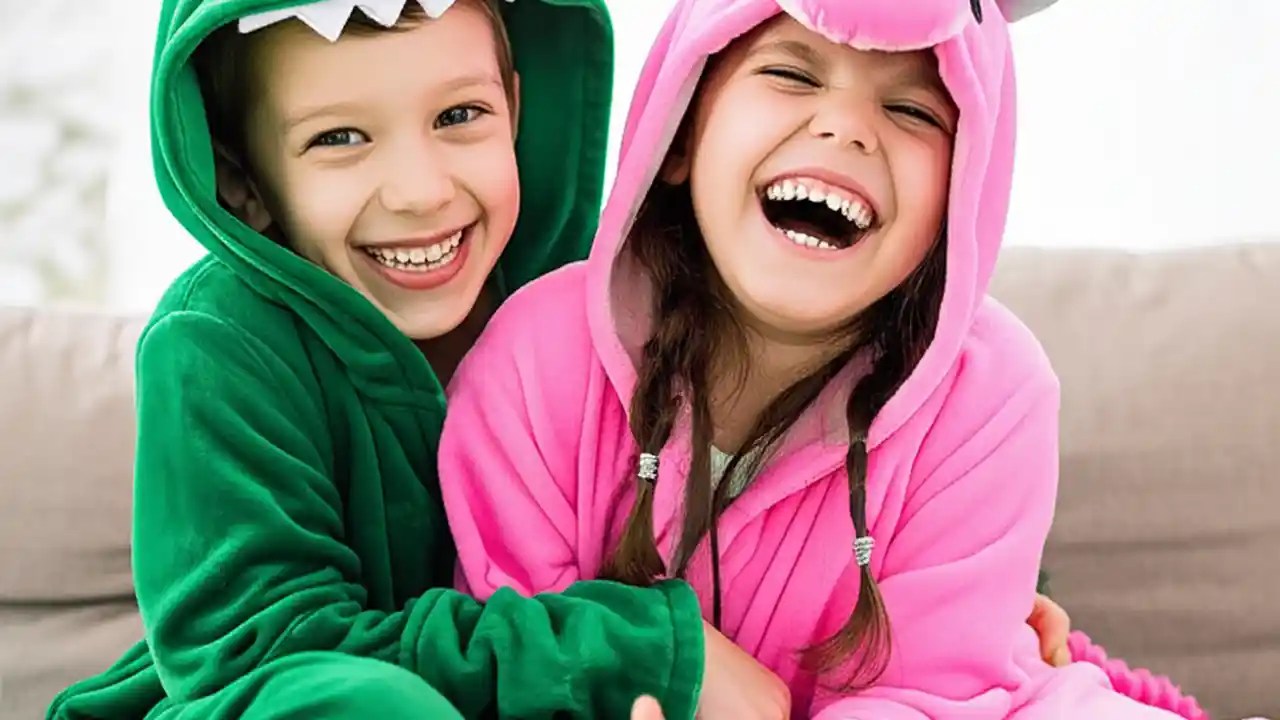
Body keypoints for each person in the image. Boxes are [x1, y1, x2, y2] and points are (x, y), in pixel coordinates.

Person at [437, 0, 1191, 716]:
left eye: (912, 110)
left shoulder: (992, 397)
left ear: (962, 192)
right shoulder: (536, 359)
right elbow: (521, 645)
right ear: (683, 133)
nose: (846, 129)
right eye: (792, 74)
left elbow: (935, 695)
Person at [47, 1, 717, 717]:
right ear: (241, 178)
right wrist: (635, 652)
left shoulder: (596, 326)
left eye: (459, 116)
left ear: (517, 109)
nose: (420, 191)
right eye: (340, 137)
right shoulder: (216, 345)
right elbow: (264, 651)